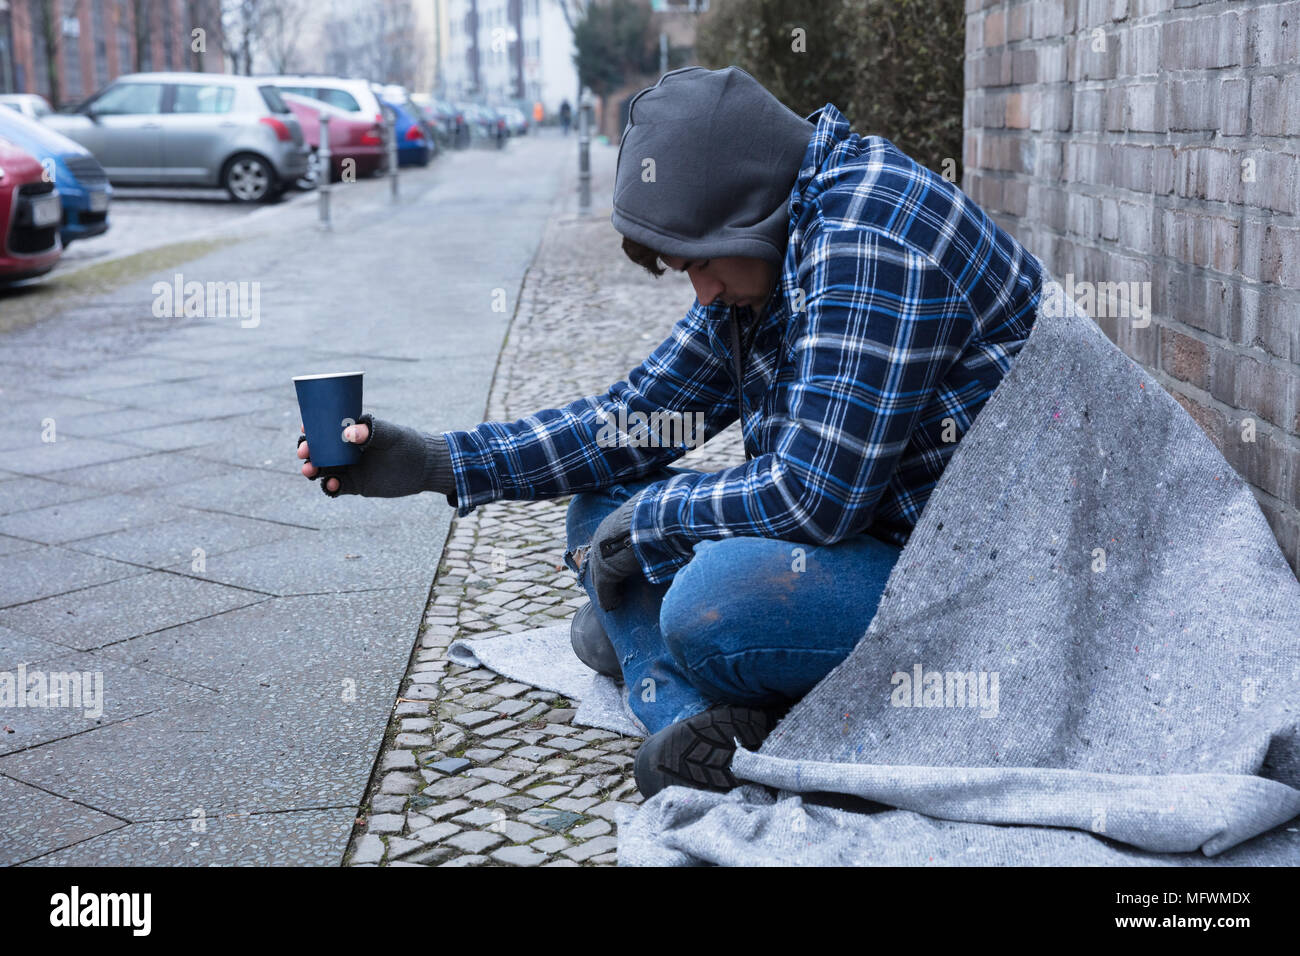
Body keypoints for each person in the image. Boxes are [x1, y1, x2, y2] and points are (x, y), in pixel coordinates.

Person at [296, 66, 1043, 799]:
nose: (704, 291)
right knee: (601, 503)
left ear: (742, 208)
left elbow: (815, 498)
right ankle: (691, 721)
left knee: (702, 607)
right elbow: (628, 425)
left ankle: (675, 681)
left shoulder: (871, 234)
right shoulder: (773, 240)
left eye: (700, 264)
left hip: (981, 591)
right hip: (875, 543)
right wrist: (435, 460)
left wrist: (645, 530)